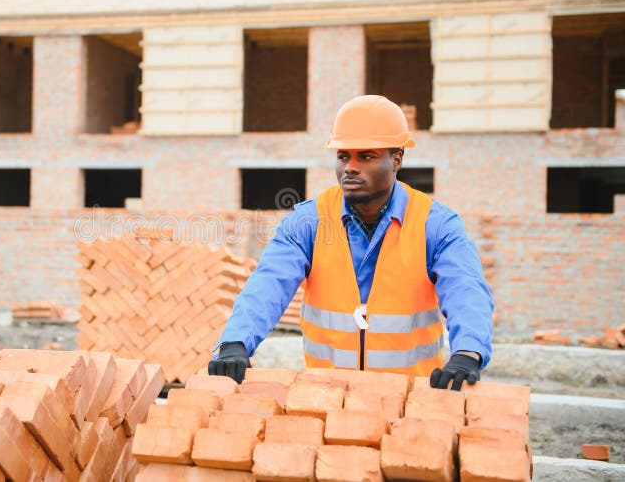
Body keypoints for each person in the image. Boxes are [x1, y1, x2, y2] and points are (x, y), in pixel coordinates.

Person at [209, 95, 494, 390]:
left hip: (410, 403)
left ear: (396, 159)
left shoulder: (435, 224)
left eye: (366, 156)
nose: (350, 167)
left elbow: (466, 289)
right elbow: (268, 284)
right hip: (326, 401)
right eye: (343, 156)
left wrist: (467, 352)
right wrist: (235, 341)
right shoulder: (309, 222)